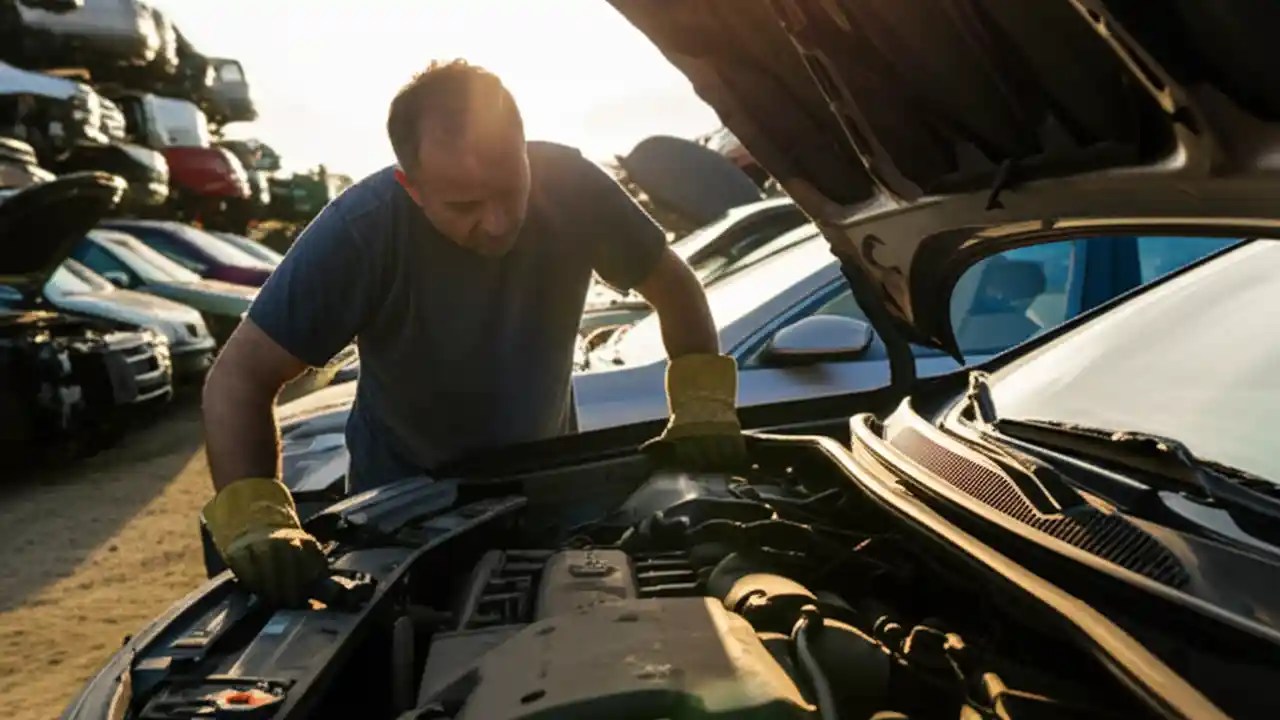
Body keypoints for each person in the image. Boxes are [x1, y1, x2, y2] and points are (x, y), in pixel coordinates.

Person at [199, 59, 748, 607]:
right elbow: (240, 377)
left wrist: (703, 406)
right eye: (464, 205)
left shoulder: (574, 189)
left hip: (547, 497)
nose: (498, 222)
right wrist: (257, 516)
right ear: (410, 187)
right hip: (405, 519)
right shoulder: (361, 232)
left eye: (511, 188)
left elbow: (673, 286)